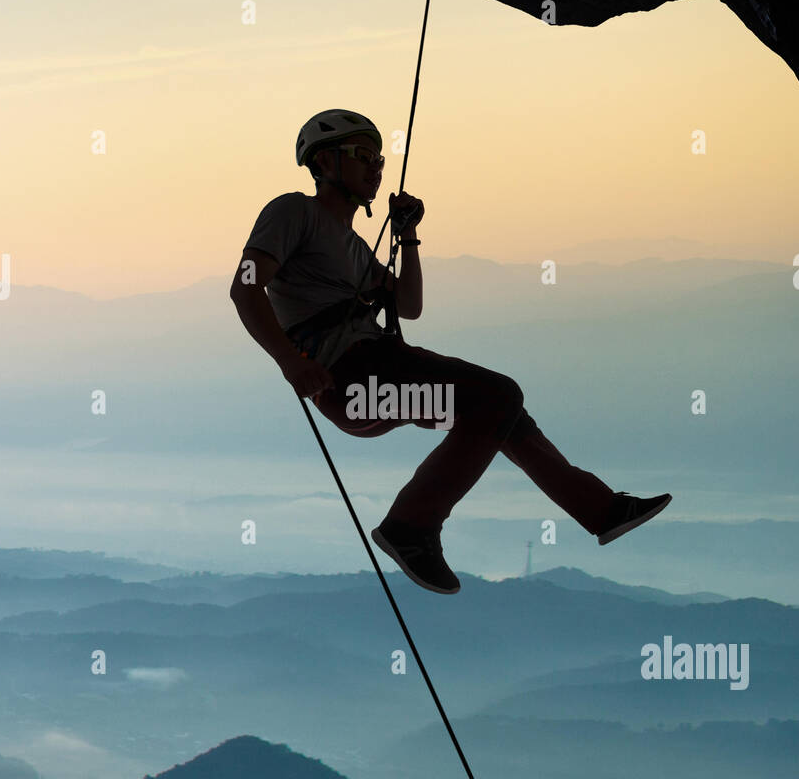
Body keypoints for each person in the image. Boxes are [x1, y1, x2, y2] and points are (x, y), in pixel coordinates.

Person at [230, 109, 671, 594]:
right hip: (357, 378)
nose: (375, 167)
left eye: (378, 158)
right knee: (498, 397)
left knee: (500, 410)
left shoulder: (355, 247)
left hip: (366, 391)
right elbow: (245, 287)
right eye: (362, 156)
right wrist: (293, 363)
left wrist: (409, 238)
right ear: (324, 163)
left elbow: (409, 305)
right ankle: (410, 526)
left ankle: (600, 510)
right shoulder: (294, 213)